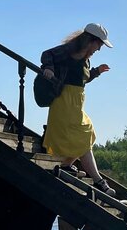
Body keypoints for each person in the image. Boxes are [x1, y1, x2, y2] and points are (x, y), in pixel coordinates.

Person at [40, 23, 116, 197]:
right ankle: (98, 181)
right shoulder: (68, 51)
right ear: (91, 40)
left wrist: (97, 71)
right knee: (83, 136)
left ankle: (66, 166)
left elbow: (82, 79)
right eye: (99, 44)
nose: (99, 49)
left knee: (88, 132)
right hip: (64, 102)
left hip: (76, 103)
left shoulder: (86, 59)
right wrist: (49, 69)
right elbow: (47, 54)